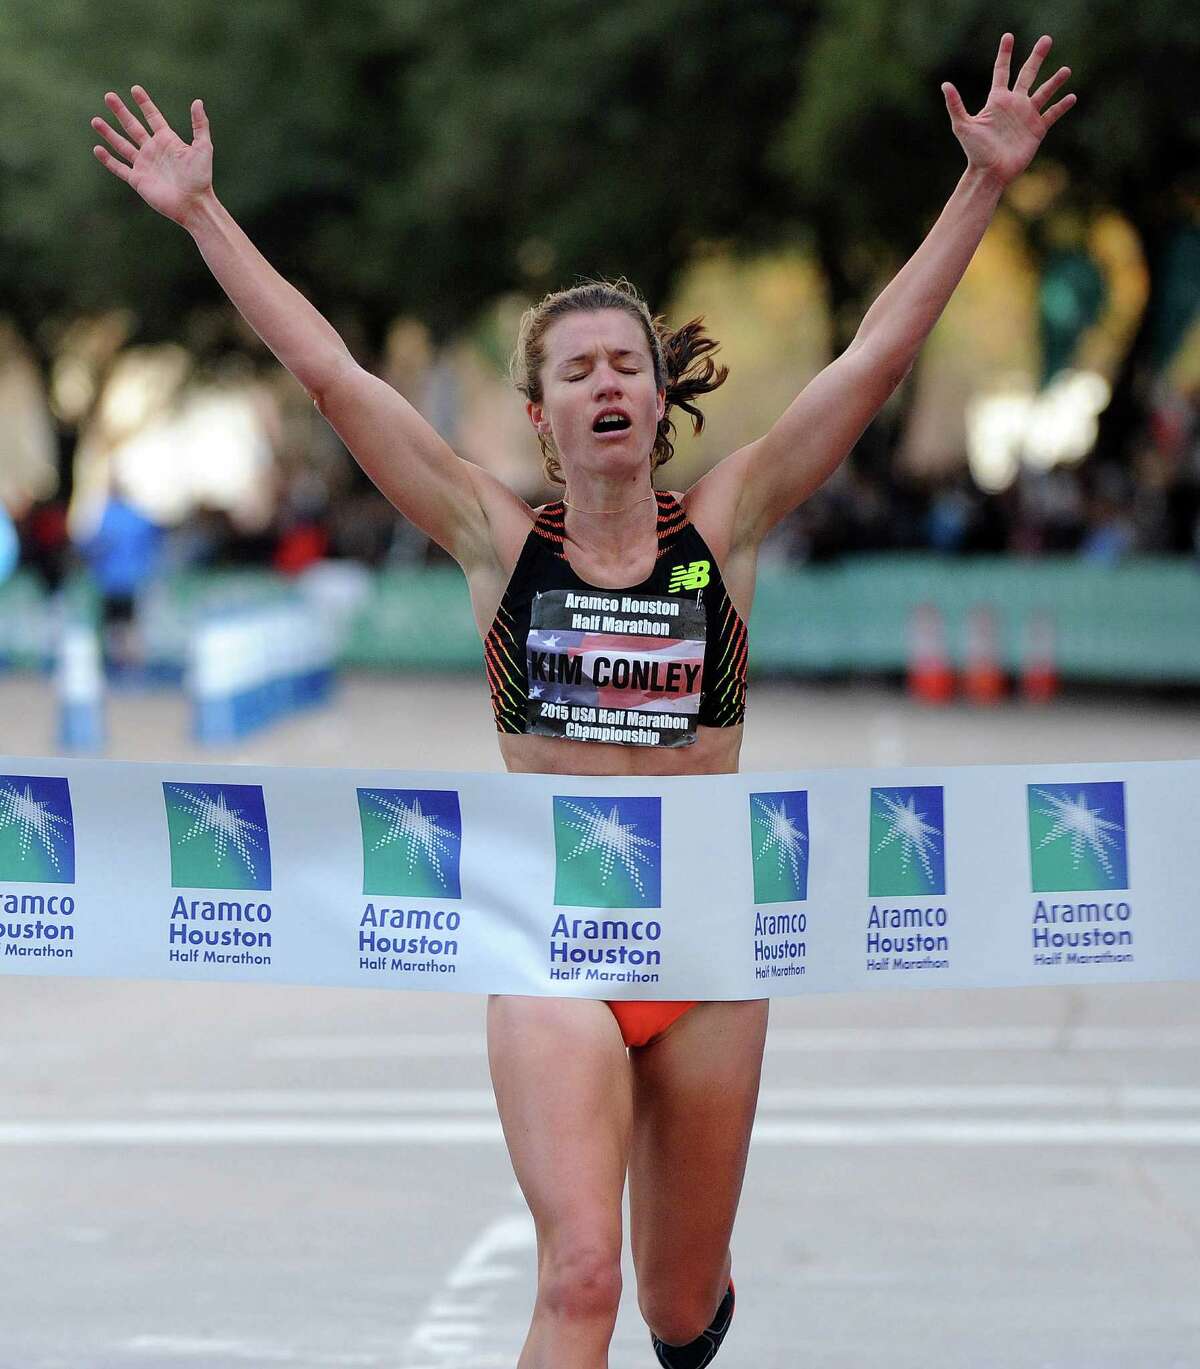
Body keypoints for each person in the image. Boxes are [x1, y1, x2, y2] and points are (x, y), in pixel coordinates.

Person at [91, 33, 1074, 1366]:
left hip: (714, 951)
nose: (609, 382)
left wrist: (980, 189)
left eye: (628, 363)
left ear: (660, 396)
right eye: (579, 370)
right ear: (543, 415)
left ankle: (697, 1312)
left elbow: (870, 366)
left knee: (675, 1299)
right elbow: (335, 376)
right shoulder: (497, 540)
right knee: (579, 1276)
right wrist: (204, 215)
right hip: (550, 941)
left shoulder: (723, 524)